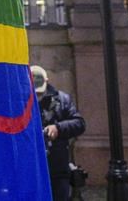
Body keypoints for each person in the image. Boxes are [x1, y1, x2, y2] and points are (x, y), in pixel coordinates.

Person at [33, 65, 86, 201]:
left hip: (57, 168)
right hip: (31, 169)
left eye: (39, 92)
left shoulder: (62, 100)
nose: (37, 95)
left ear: (47, 80)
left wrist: (58, 128)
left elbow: (79, 123)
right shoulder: (20, 101)